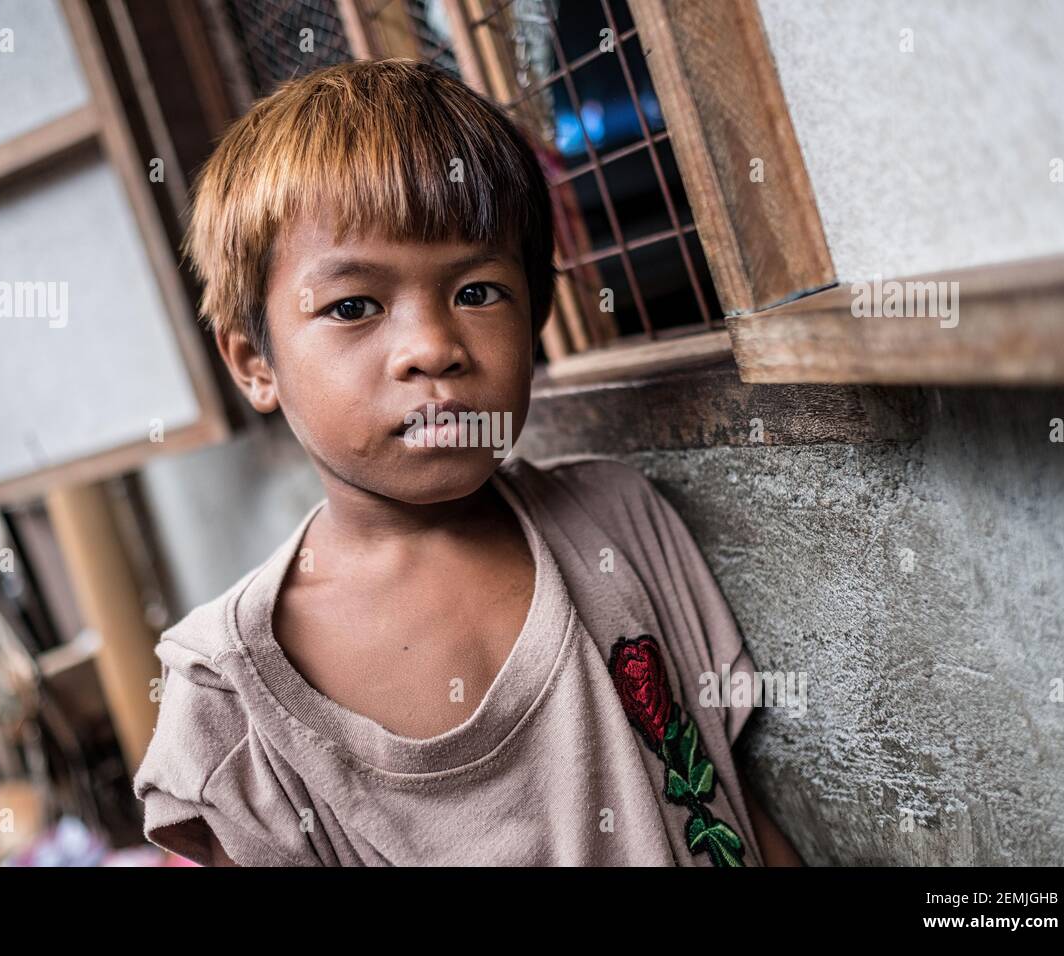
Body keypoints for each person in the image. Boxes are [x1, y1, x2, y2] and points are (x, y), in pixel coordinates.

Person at [133, 59, 801, 866]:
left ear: (537, 319)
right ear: (254, 363)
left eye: (478, 292)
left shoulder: (618, 524)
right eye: (353, 307)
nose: (433, 348)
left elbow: (739, 816)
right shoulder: (229, 705)